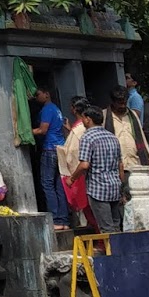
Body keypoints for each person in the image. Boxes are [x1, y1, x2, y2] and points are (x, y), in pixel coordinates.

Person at [76, 104, 124, 233]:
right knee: (116, 225)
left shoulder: (87, 137)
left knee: (106, 228)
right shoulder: (112, 137)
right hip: (114, 187)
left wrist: (72, 178)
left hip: (98, 188)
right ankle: (119, 251)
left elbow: (84, 164)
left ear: (88, 119)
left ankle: (112, 252)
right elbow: (120, 164)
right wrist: (122, 186)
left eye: (83, 118)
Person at [32, 87, 68, 231]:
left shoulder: (47, 109)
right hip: (60, 149)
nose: (36, 97)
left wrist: (25, 132)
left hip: (50, 148)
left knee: (47, 184)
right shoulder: (56, 109)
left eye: (38, 94)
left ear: (46, 94)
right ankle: (64, 220)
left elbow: (42, 130)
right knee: (59, 185)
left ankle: (55, 218)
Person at [103, 86, 149, 195]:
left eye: (124, 103)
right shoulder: (104, 116)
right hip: (114, 167)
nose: (123, 106)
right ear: (113, 102)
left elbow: (141, 137)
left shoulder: (132, 115)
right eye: (120, 103)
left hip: (135, 164)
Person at [57, 96, 92, 230]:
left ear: (74, 109)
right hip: (84, 171)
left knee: (88, 207)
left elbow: (74, 153)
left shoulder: (79, 129)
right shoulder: (80, 127)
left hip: (80, 171)